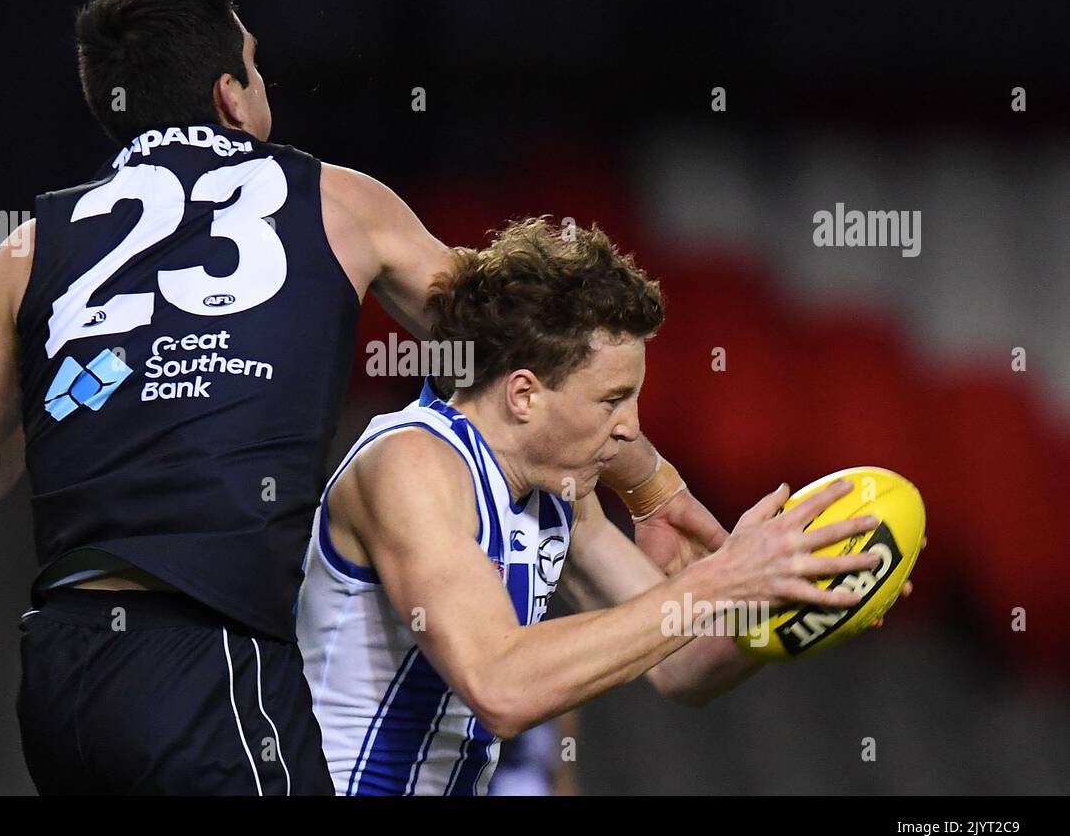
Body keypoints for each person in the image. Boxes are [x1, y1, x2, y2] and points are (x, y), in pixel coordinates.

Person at [0, 0, 725, 795]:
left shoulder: (27, 249)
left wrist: (89, 398)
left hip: (63, 673)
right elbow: (525, 344)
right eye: (257, 68)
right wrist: (648, 484)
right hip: (209, 661)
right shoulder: (336, 202)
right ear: (230, 96)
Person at [296, 219, 887, 795]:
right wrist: (721, 577)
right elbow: (499, 685)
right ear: (524, 393)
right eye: (612, 400)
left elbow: (682, 665)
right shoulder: (411, 465)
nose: (630, 429)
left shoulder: (561, 496)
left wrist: (796, 599)